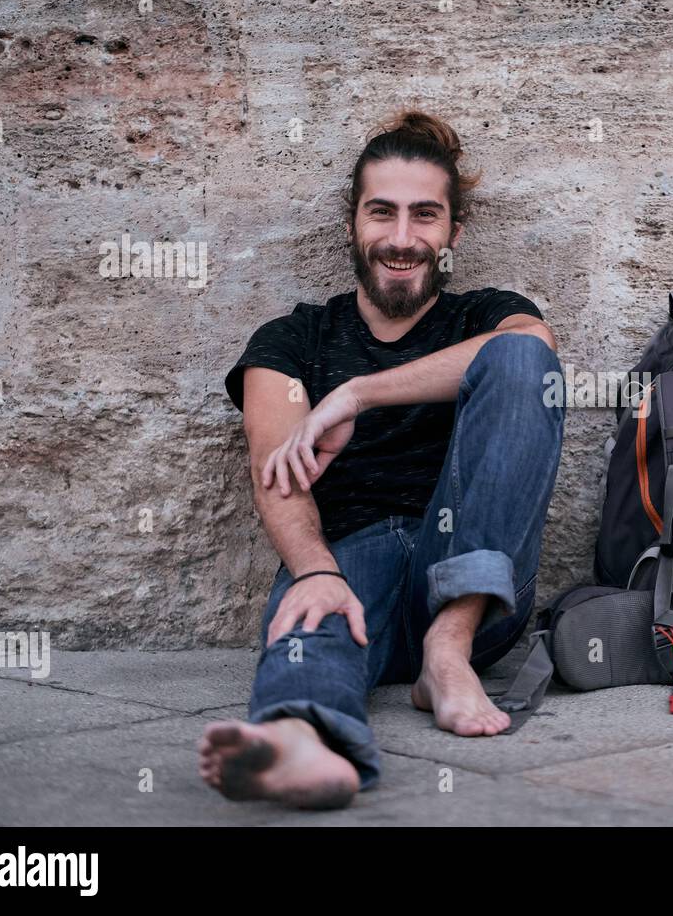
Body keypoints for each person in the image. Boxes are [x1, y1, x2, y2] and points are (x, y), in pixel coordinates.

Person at [197, 110, 564, 809]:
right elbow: (275, 473)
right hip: (348, 558)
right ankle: (300, 743)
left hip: (469, 578)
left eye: (425, 215)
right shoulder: (293, 338)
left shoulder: (485, 316)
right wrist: (314, 571)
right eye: (382, 213)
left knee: (523, 359)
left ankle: (446, 653)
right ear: (352, 224)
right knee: (313, 620)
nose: (402, 239)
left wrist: (358, 394)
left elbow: (531, 349)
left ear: (454, 232)